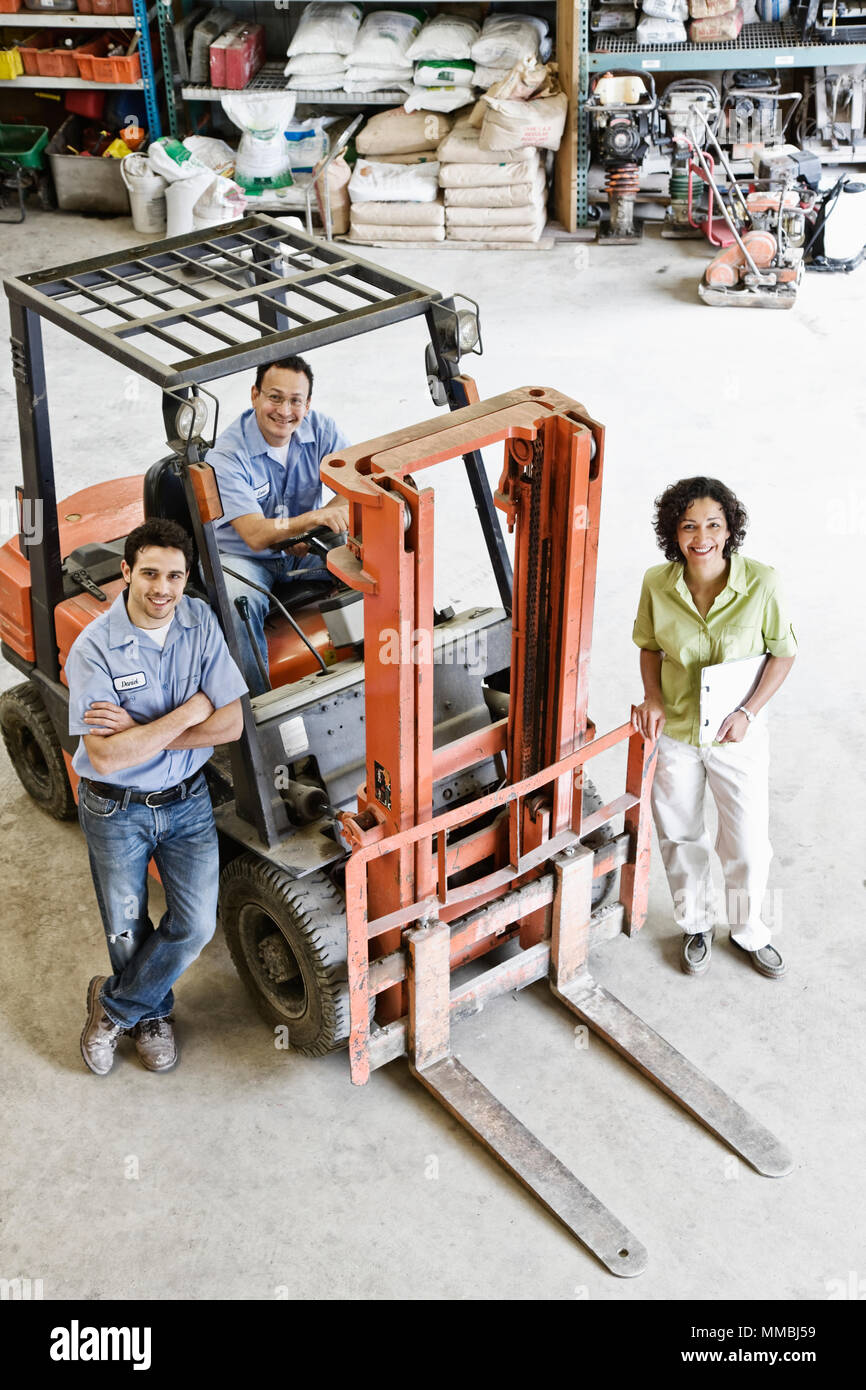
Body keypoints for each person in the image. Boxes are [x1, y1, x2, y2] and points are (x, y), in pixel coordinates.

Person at [67, 518, 247, 1075]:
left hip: (188, 800)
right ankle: (153, 1015)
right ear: (126, 572)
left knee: (195, 926)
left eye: (174, 575)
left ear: (187, 577)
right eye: (149, 573)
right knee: (127, 927)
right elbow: (107, 757)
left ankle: (114, 1006)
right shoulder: (92, 650)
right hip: (114, 806)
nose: (162, 588)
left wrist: (143, 730)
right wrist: (194, 708)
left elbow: (233, 724)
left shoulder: (199, 619)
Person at [631, 477, 797, 980]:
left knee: (746, 842)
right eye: (688, 526)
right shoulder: (657, 584)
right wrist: (653, 698)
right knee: (681, 836)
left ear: (729, 531)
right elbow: (649, 647)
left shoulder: (762, 583)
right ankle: (696, 924)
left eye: (713, 525)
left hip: (735, 736)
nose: (701, 537)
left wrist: (747, 713)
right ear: (674, 534)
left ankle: (749, 931)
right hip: (678, 732)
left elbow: (783, 655)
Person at [205, 354, 350, 694]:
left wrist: (311, 529)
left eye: (295, 400)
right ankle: (261, 712)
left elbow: (355, 486)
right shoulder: (227, 455)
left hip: (304, 547)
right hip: (241, 557)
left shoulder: (323, 430)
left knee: (375, 559)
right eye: (274, 397)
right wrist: (310, 520)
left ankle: (366, 664)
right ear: (254, 395)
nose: (285, 410)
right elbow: (255, 535)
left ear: (308, 403)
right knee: (239, 602)